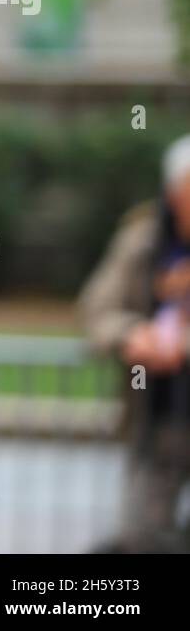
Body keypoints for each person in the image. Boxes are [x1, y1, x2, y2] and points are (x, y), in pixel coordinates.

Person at [79, 134, 190, 552]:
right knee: (142, 532)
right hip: (155, 415)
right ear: (173, 191)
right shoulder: (142, 238)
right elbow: (95, 307)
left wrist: (181, 344)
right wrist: (131, 332)